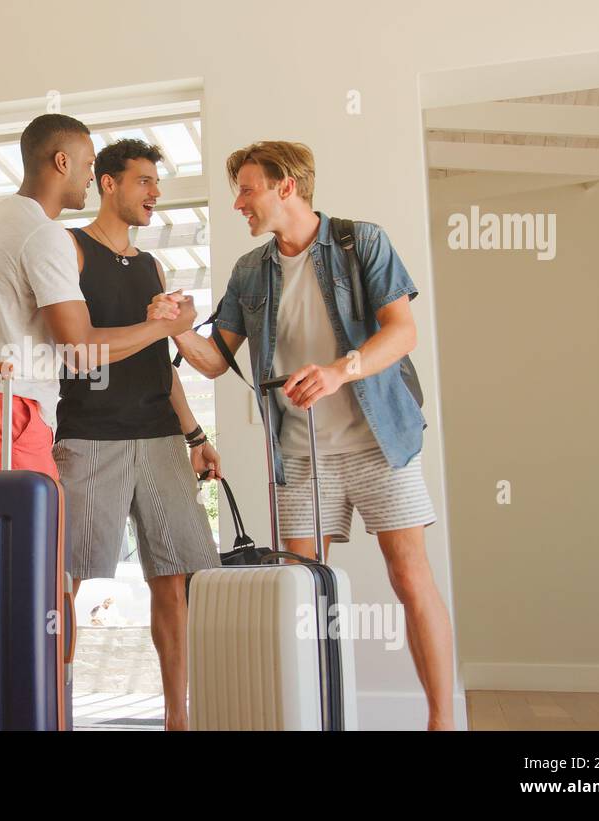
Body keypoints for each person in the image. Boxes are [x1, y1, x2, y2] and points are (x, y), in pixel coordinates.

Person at [170, 140, 455, 730]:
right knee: (300, 596)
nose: (238, 203)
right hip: (299, 457)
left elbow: (402, 333)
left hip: (379, 444)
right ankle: (311, 717)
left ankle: (441, 721)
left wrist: (338, 371)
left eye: (247, 189)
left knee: (409, 576)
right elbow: (216, 359)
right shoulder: (251, 271)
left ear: (286, 187)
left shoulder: (361, 242)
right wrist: (175, 329)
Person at [56, 139, 220, 732]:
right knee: (65, 585)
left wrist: (196, 434)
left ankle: (178, 718)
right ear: (107, 183)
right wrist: (157, 325)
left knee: (174, 581)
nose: (155, 192)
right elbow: (80, 351)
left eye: (157, 182)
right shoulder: (71, 248)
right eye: (144, 181)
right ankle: (58, 713)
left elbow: (163, 366)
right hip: (90, 436)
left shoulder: (152, 266)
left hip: (160, 437)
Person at [0, 114, 195, 479]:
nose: (91, 177)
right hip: (10, 412)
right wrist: (165, 326)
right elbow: (80, 351)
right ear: (62, 162)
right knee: (31, 533)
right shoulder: (44, 234)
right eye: (89, 164)